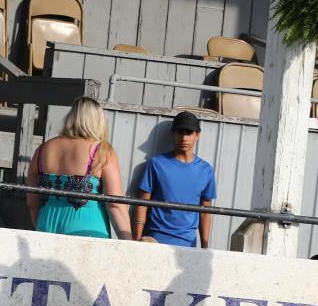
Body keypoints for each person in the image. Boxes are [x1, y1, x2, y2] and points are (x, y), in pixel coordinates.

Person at [26, 97, 132, 240]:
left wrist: (39, 227)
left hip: (46, 224)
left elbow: (32, 203)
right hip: (86, 229)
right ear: (98, 121)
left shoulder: (42, 150)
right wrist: (128, 242)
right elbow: (115, 204)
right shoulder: (102, 151)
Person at [133, 111, 217, 247]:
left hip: (187, 245)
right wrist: (136, 241)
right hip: (154, 242)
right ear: (173, 133)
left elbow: (205, 212)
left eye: (189, 133)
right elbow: (142, 203)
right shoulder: (156, 164)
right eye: (180, 132)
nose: (184, 138)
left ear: (197, 135)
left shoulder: (206, 170)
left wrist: (205, 248)